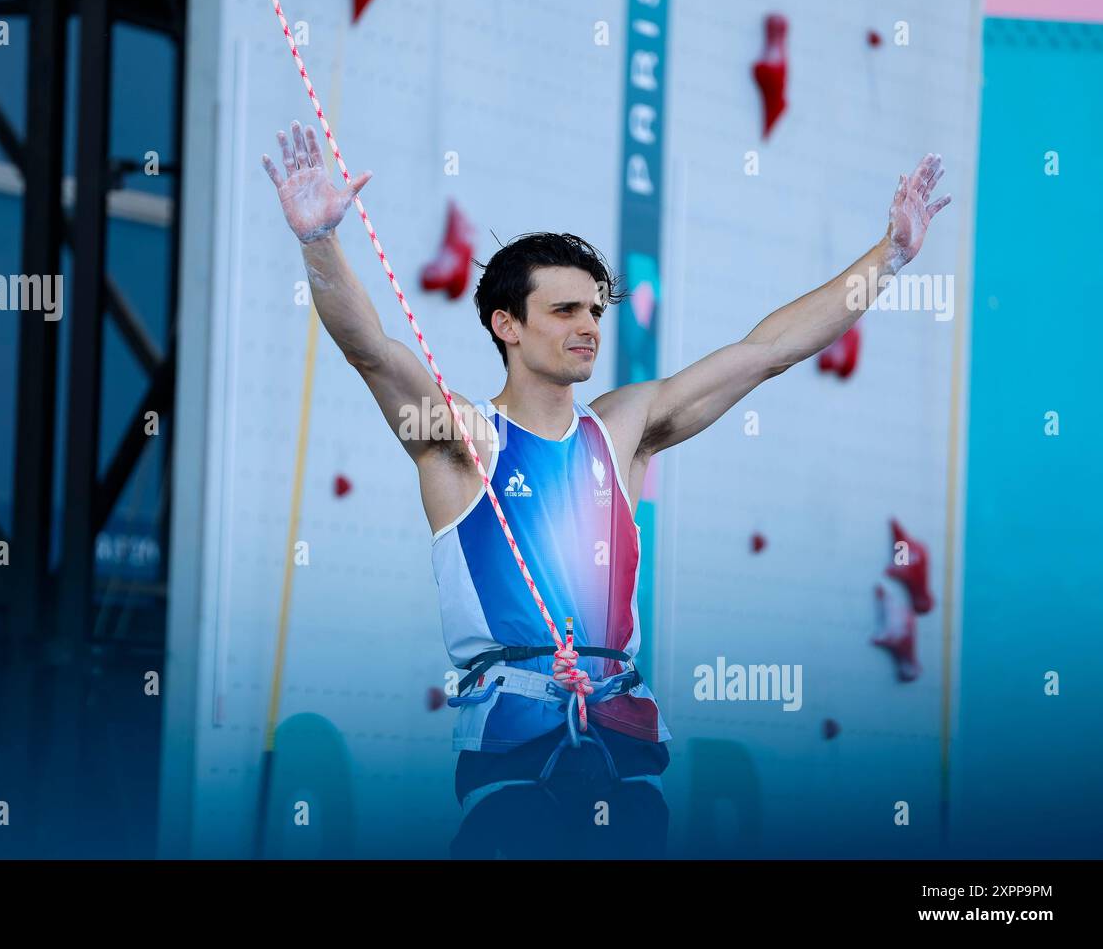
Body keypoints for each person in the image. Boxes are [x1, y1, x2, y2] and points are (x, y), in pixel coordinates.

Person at [262, 119, 951, 859]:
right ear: (508, 325)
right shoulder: (460, 442)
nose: (589, 325)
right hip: (514, 768)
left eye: (595, 309)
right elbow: (372, 353)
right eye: (565, 311)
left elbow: (768, 352)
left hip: (624, 763)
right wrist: (320, 243)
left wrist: (892, 256)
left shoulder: (625, 430)